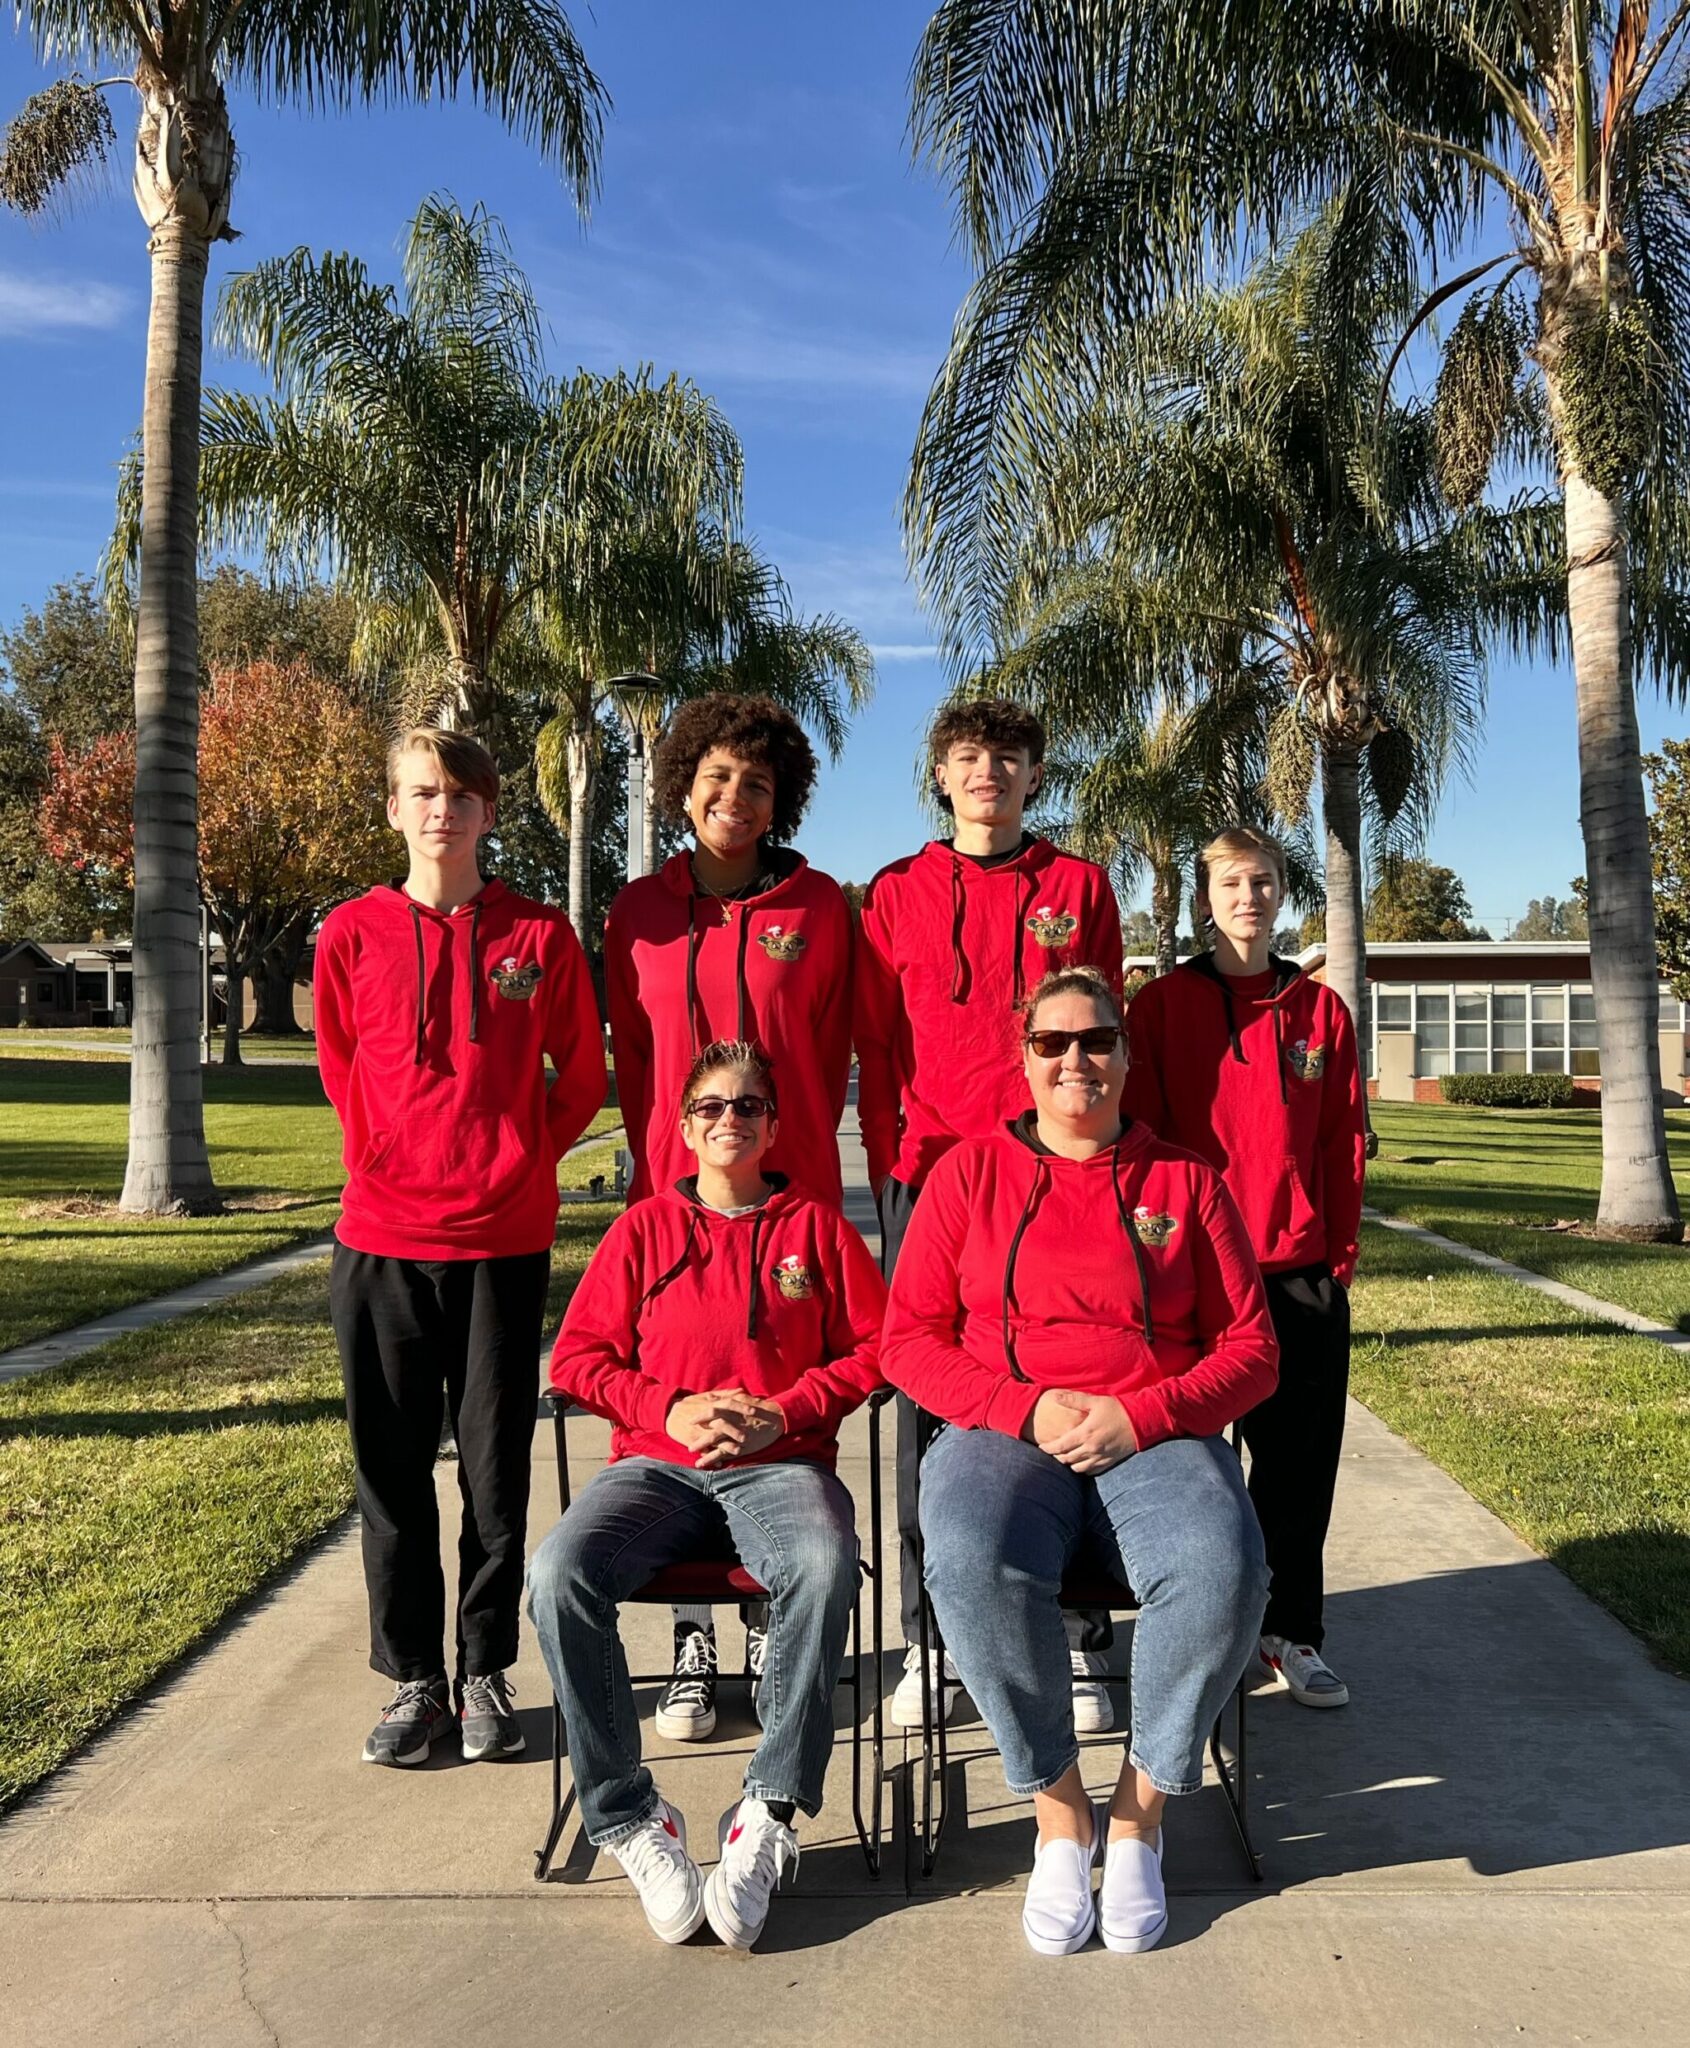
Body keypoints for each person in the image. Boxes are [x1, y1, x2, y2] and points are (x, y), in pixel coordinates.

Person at [882, 966, 1275, 1956]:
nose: (1075, 1060)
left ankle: (1139, 1810)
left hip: (1155, 1432)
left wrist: (1141, 1415)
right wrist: (1022, 1403)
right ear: (1023, 1060)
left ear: (1127, 1054)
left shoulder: (1185, 1179)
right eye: (1051, 1043)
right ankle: (1059, 1808)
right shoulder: (966, 1174)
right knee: (967, 1553)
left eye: (1094, 1039)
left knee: (1222, 1566)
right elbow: (908, 1339)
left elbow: (1251, 1349)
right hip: (1007, 1433)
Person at [526, 1039, 885, 1949]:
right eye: (713, 1108)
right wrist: (669, 1407)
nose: (731, 1120)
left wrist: (785, 1411)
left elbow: (880, 1350)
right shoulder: (643, 1229)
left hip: (782, 1464)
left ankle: (765, 1812)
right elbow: (576, 1359)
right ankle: (630, 1819)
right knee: (560, 1573)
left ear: (775, 1123)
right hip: (656, 1466)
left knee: (820, 1561)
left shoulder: (817, 1230)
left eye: (749, 1106)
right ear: (684, 1128)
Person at [315, 726, 605, 1768]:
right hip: (381, 1238)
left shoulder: (539, 936)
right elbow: (342, 1066)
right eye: (423, 792)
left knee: (493, 1468)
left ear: (489, 812)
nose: (443, 809)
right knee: (390, 1470)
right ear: (393, 808)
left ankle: (484, 1665)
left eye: (463, 794)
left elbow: (582, 1071)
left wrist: (524, 1154)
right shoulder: (349, 932)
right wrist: (389, 1156)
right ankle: (414, 1680)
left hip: (501, 1238)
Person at [854, 696, 1125, 1731]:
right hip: (933, 1174)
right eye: (969, 758)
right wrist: (891, 1176)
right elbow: (876, 1049)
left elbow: (1096, 1032)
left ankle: (1078, 1622)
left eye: (1007, 758)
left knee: (1073, 1375)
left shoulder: (1077, 886)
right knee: (932, 1402)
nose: (987, 773)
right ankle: (936, 1635)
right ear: (941, 775)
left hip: (1050, 1170)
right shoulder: (894, 891)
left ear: (1031, 776)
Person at [604, 694, 855, 1742]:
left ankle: (770, 1610)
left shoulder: (821, 905)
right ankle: (692, 1640)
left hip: (789, 1204)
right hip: (675, 1203)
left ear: (779, 796)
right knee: (677, 1407)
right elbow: (631, 1054)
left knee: (788, 1409)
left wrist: (787, 1176)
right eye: (716, 777)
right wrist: (665, 1177)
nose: (734, 798)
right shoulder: (637, 912)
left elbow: (838, 1047)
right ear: (681, 783)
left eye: (756, 782)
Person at [1125, 826, 1365, 1708]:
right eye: (1230, 882)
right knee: (1185, 1470)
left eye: (1262, 881)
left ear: (1280, 894)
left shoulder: (1319, 1012)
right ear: (1204, 898)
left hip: (1297, 1272)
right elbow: (1139, 1141)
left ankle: (1290, 1633)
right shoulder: (1159, 1009)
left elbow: (1341, 1142)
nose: (1248, 897)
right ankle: (1191, 1628)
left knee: (1299, 1470)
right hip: (1189, 1276)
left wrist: (1337, 1258)